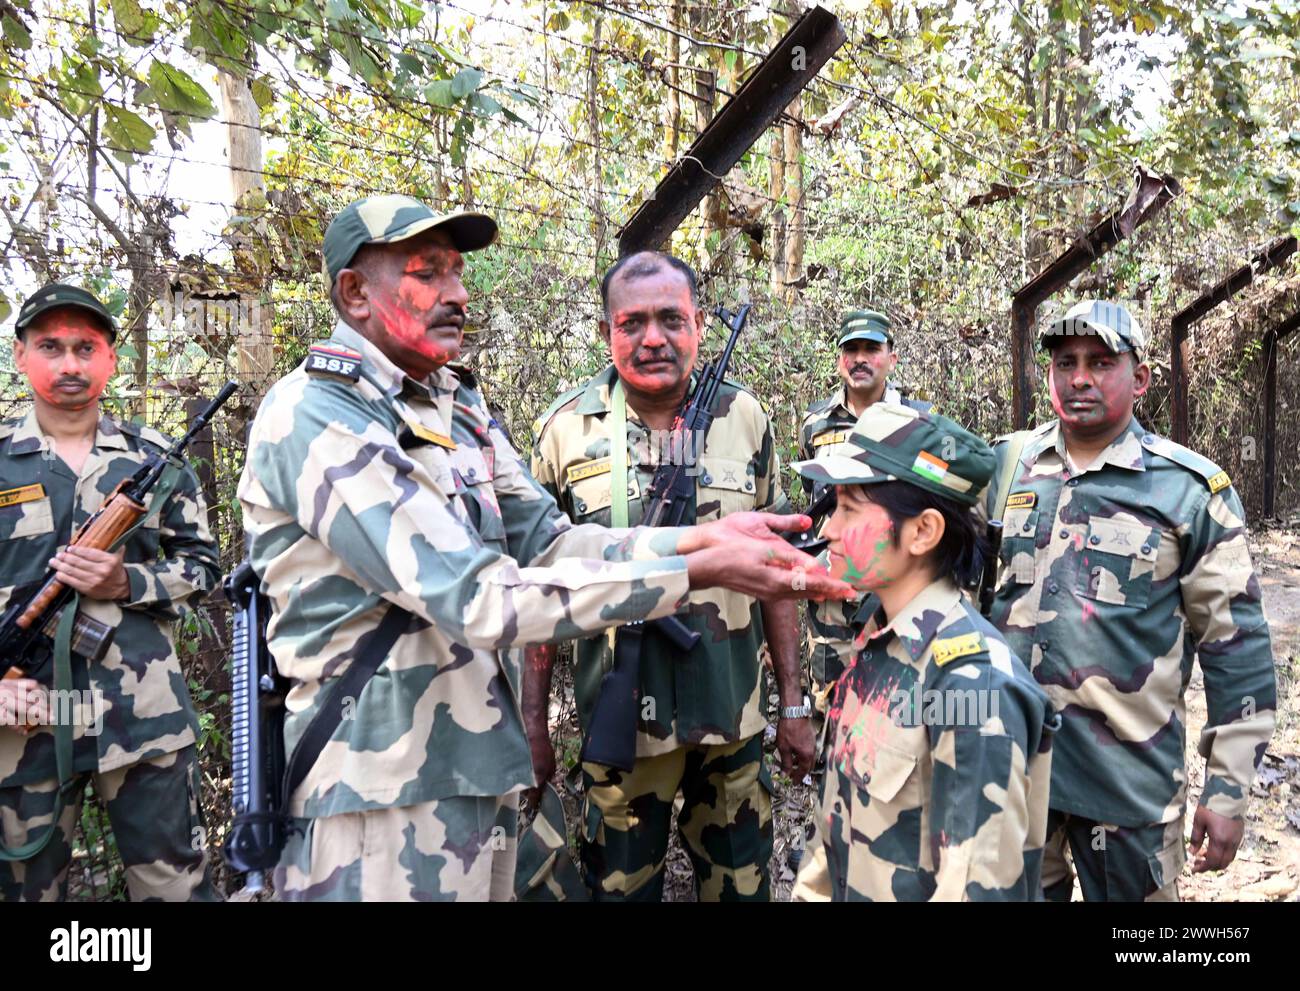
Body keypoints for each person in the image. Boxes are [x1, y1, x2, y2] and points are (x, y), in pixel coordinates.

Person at [235, 195, 850, 902]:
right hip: (379, 795)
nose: (457, 294)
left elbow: (551, 541)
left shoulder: (454, 407)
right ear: (354, 292)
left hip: (474, 776)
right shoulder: (318, 415)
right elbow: (480, 596)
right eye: (427, 272)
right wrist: (696, 568)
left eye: (458, 272)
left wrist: (701, 534)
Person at [525, 251, 812, 902]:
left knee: (741, 888)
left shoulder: (745, 418)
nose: (652, 338)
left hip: (731, 714)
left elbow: (776, 571)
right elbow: (536, 591)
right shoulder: (564, 430)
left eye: (670, 319)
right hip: (621, 729)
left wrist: (793, 703)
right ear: (607, 332)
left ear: (700, 325)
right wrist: (534, 728)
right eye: (632, 323)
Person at [986, 299, 1277, 901]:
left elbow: (1238, 650)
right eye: (1065, 363)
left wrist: (1227, 793)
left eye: (1101, 361)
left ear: (1140, 378)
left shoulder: (1188, 491)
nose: (1081, 378)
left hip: (1126, 793)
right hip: (1013, 778)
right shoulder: (1008, 468)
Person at [0, 283, 221, 901]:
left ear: (110, 359)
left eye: (85, 347)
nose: (69, 363)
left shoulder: (154, 461)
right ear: (21, 355)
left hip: (139, 714)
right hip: (25, 721)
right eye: (51, 346)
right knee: (26, 889)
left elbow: (204, 568)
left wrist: (128, 581)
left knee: (175, 885)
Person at [790, 404, 1056, 901]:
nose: (828, 529)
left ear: (922, 531)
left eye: (849, 509)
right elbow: (838, 828)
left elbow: (976, 887)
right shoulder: (879, 642)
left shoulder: (972, 685)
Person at [798, 310, 932, 739]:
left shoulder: (919, 421)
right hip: (834, 594)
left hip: (896, 592)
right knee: (832, 710)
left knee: (899, 710)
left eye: (871, 349)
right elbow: (813, 503)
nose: (860, 359)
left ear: (891, 358)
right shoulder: (815, 424)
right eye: (851, 350)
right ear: (840, 360)